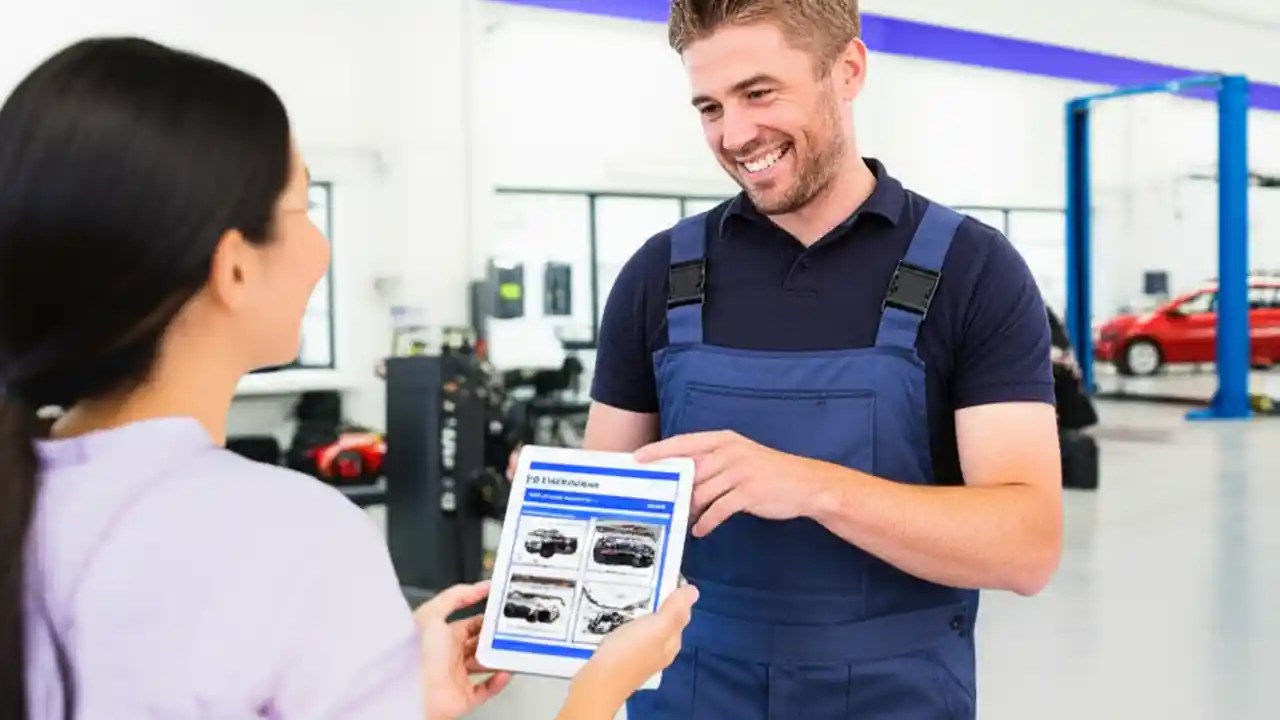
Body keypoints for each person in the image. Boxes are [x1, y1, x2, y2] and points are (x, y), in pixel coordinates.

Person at [0, 37, 697, 719]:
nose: (319, 246)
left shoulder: (27, 497)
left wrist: (374, 677)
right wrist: (601, 689)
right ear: (234, 267)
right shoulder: (290, 534)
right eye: (303, 208)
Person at [585, 1, 1064, 718]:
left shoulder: (973, 270)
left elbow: (1027, 547)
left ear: (847, 71)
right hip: (692, 696)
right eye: (710, 107)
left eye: (759, 93)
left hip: (895, 700)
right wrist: (550, 507)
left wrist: (811, 488)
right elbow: (606, 513)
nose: (734, 135)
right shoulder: (658, 274)